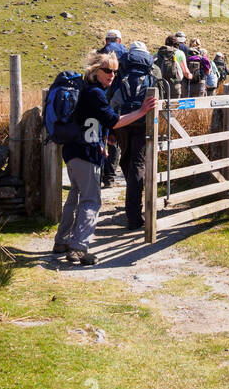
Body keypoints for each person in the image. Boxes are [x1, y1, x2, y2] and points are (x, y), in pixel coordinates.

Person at [52, 50, 155, 266]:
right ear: (95, 70)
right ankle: (79, 248)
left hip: (73, 152)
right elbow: (114, 120)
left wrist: (103, 138)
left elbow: (90, 121)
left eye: (115, 72)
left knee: (75, 196)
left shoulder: (87, 90)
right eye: (107, 70)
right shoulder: (95, 93)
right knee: (91, 200)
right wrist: (142, 111)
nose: (112, 75)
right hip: (85, 154)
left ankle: (62, 242)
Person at [112, 40, 156, 234]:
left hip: (122, 119)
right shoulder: (152, 68)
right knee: (137, 164)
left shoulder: (121, 65)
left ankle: (133, 206)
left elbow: (110, 93)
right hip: (144, 119)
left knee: (127, 160)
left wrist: (109, 128)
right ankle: (134, 216)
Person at [95, 30, 127, 186]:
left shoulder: (100, 54)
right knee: (113, 138)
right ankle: (110, 177)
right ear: (119, 40)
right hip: (118, 101)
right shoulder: (126, 54)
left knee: (100, 136)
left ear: (106, 40)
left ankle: (98, 173)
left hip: (99, 98)